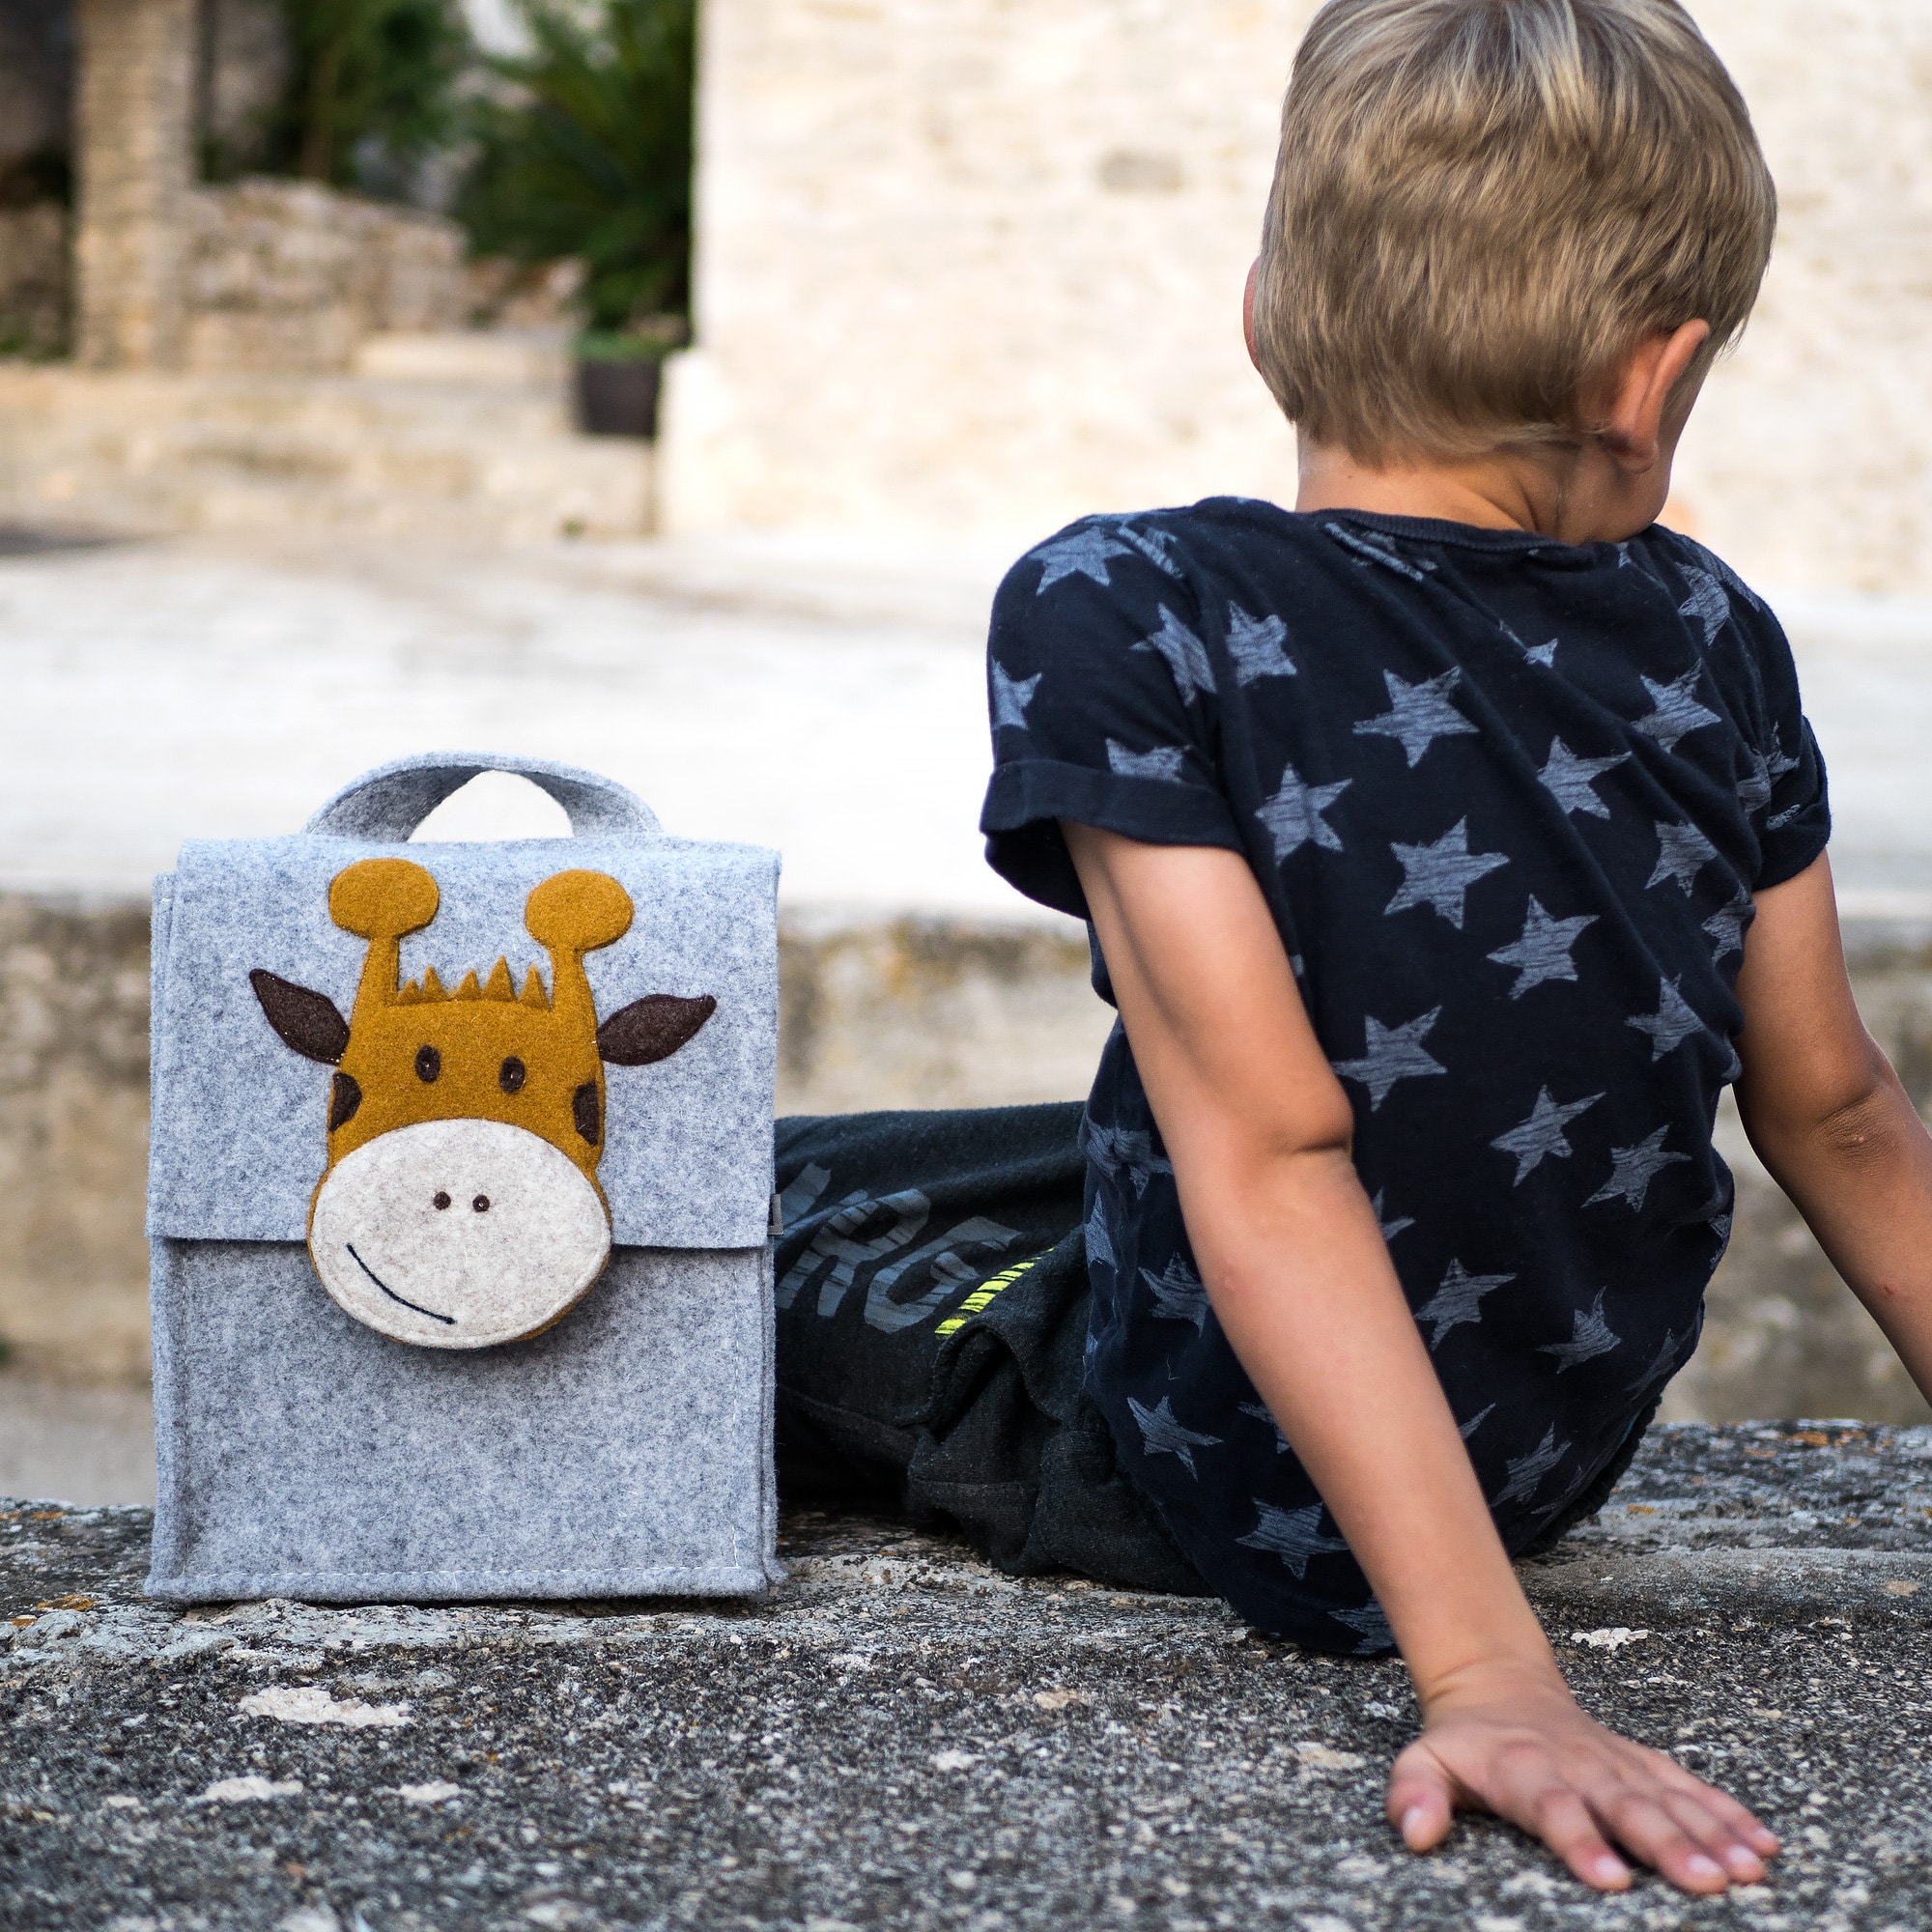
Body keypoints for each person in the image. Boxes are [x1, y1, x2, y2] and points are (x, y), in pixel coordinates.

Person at [774, 0, 1932, 1895]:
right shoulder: (1715, 634)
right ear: (1655, 375)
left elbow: (1268, 1146)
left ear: (1263, 315)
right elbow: (1841, 1110)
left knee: (738, 1209)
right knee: (1022, 1156)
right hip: (1542, 1448)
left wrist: (1489, 1675)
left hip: (1226, 1475)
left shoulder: (1123, 604)